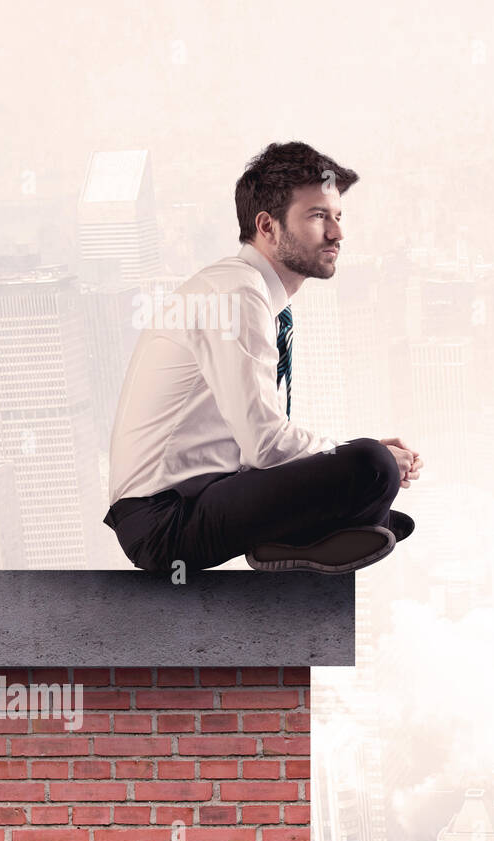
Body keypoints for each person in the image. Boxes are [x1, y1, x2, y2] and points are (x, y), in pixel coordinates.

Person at [102, 141, 423, 575]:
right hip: (164, 520)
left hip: (202, 498)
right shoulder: (236, 294)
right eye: (317, 216)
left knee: (370, 476)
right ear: (267, 226)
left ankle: (306, 536)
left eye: (338, 217)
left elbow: (258, 452)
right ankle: (308, 534)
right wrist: (348, 455)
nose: (337, 234)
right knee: (373, 466)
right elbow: (266, 445)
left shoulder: (250, 294)